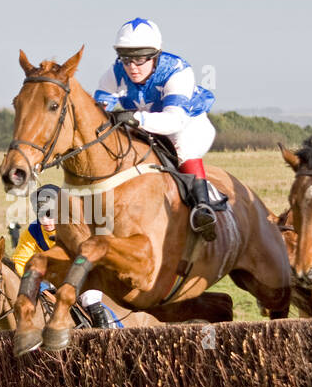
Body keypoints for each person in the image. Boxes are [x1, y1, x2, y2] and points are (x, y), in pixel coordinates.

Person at [92, 18, 221, 241]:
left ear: (155, 56)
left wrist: (133, 118)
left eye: (140, 58)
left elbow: (174, 121)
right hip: (148, 127)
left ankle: (203, 208)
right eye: (126, 58)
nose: (132, 66)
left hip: (189, 124)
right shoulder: (114, 73)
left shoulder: (177, 71)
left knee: (183, 146)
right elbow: (97, 115)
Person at [11, 184, 119, 328]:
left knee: (89, 299)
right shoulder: (33, 231)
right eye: (40, 214)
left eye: (50, 213)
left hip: (86, 273)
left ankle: (105, 334)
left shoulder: (75, 226)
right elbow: (20, 261)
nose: (45, 220)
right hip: (53, 278)